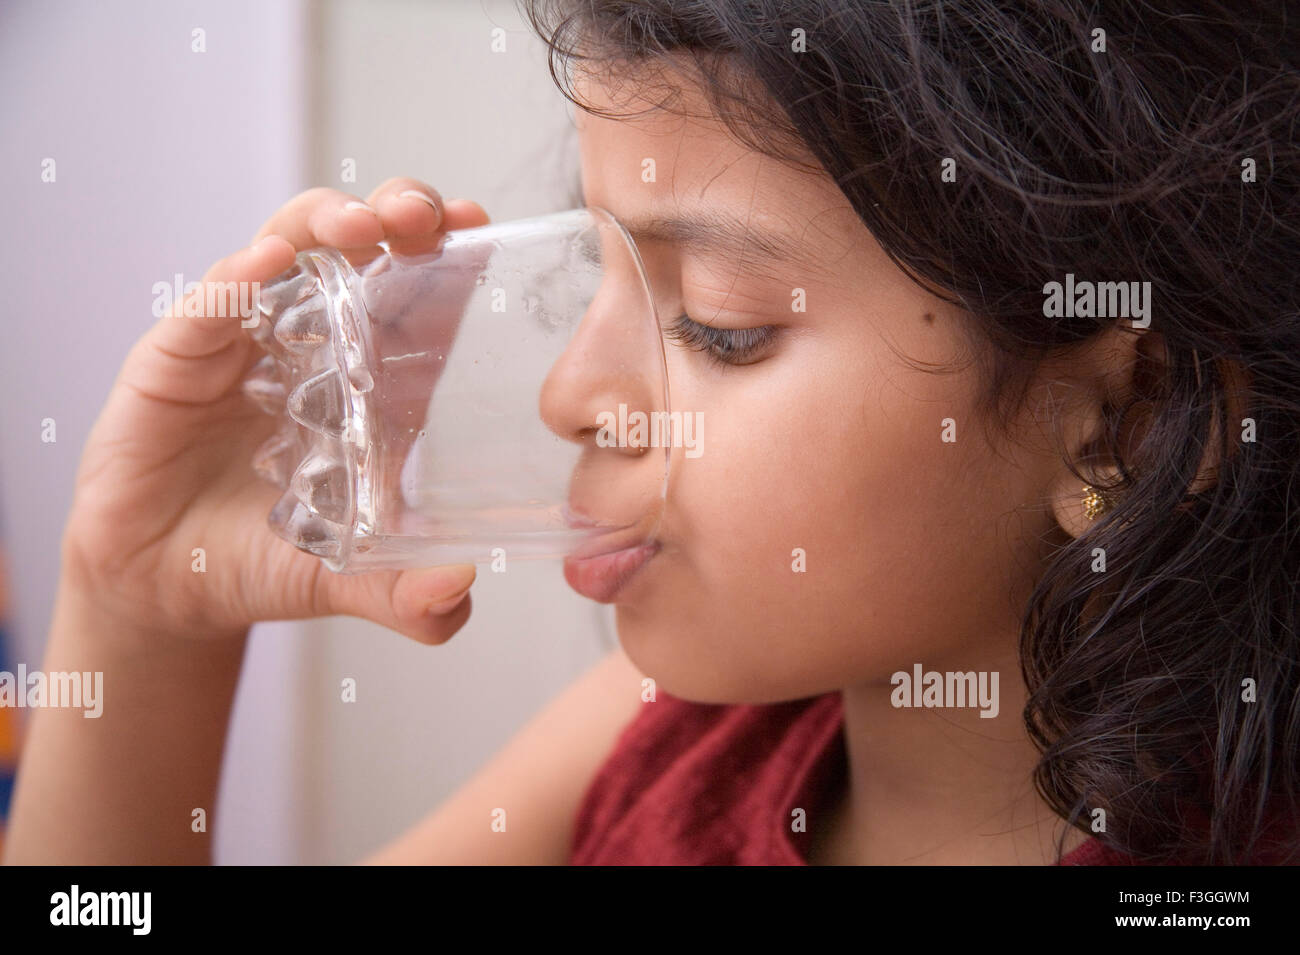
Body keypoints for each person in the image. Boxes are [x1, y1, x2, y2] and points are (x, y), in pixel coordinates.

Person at [5, 0, 1298, 865]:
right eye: (594, 275)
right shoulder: (643, 747)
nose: (571, 393)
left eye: (721, 324)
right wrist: (138, 605)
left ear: (1123, 417)